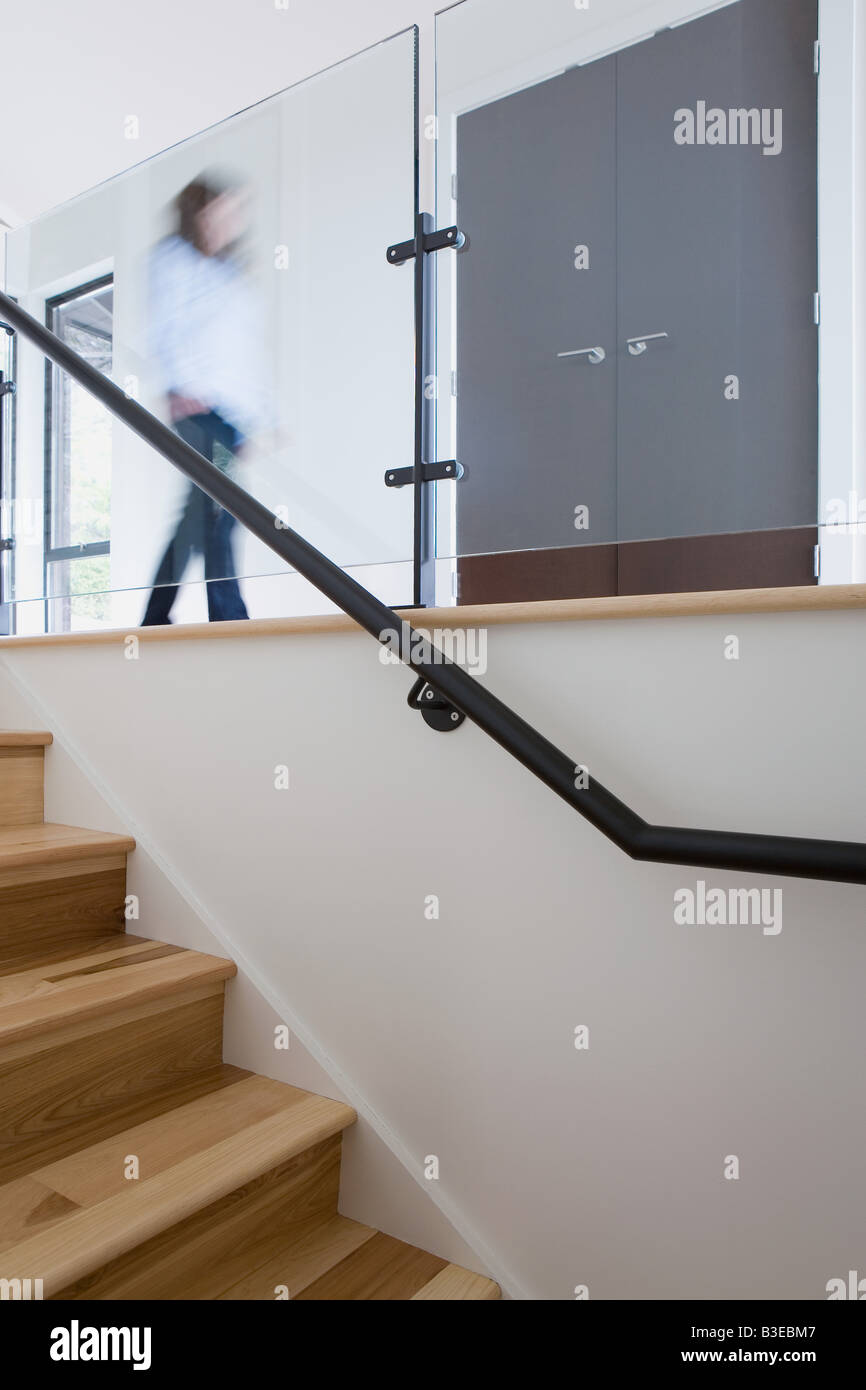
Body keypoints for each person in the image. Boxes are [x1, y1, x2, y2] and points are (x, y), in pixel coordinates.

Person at [141, 173, 272, 624]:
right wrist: (180, 386)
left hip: (231, 413)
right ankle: (228, 616)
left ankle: (156, 616)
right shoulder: (174, 258)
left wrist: (259, 418)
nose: (233, 220)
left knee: (196, 516)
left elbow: (245, 351)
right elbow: (166, 326)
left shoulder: (230, 274)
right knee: (223, 510)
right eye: (224, 209)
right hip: (197, 405)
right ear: (200, 211)